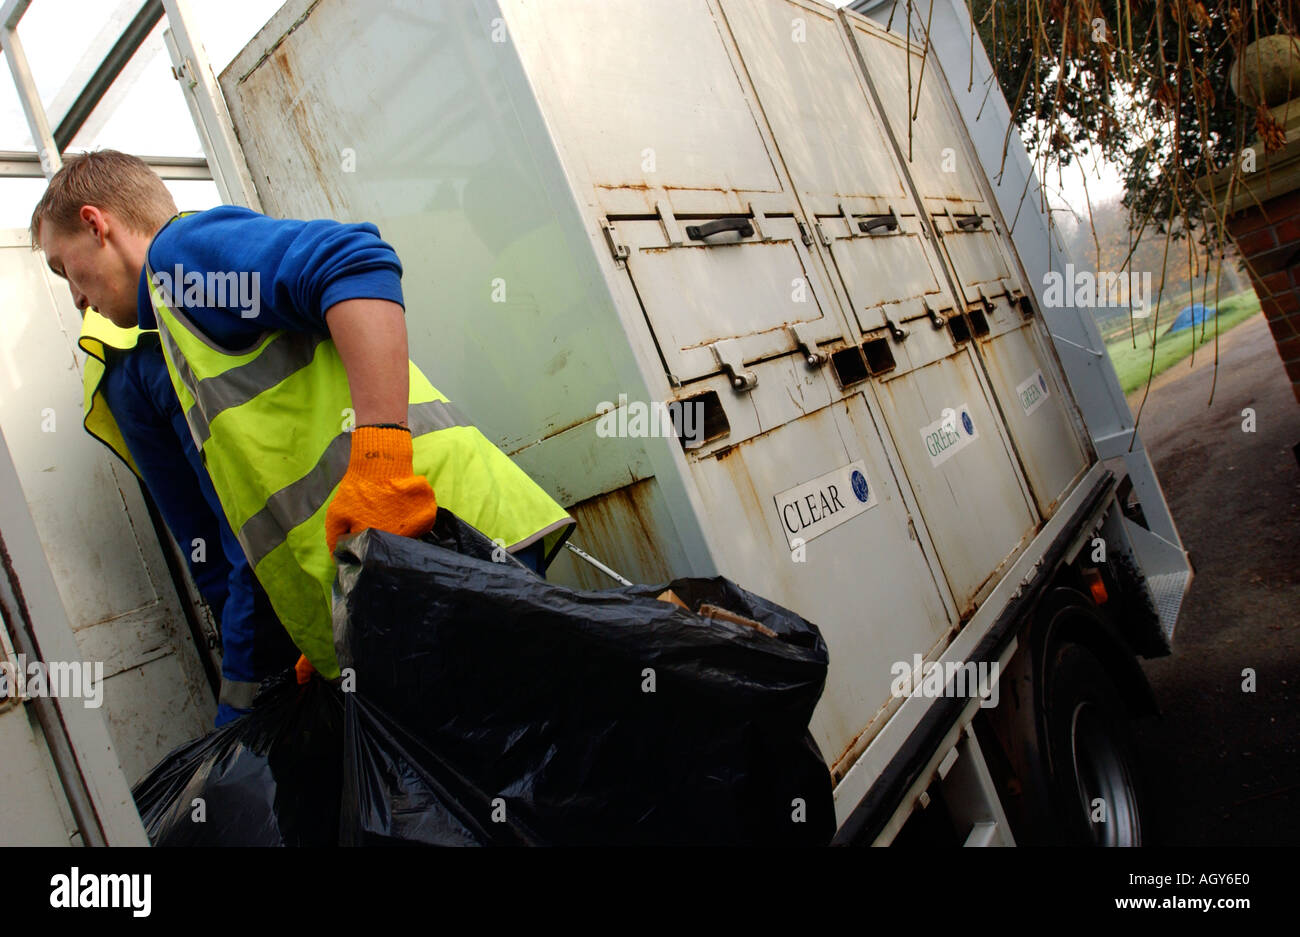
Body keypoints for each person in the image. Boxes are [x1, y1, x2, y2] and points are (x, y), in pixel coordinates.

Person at [33, 150, 575, 682]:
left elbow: (354, 258)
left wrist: (382, 460)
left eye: (65, 268)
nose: (78, 297)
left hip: (442, 537)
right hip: (413, 561)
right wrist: (327, 622)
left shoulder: (180, 257)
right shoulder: (174, 317)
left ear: (95, 224)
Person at [78, 308, 301, 726]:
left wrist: (239, 705)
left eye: (64, 269)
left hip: (292, 609)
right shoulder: (186, 302)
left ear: (100, 236)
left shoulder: (141, 345)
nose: (76, 293)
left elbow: (232, 545)